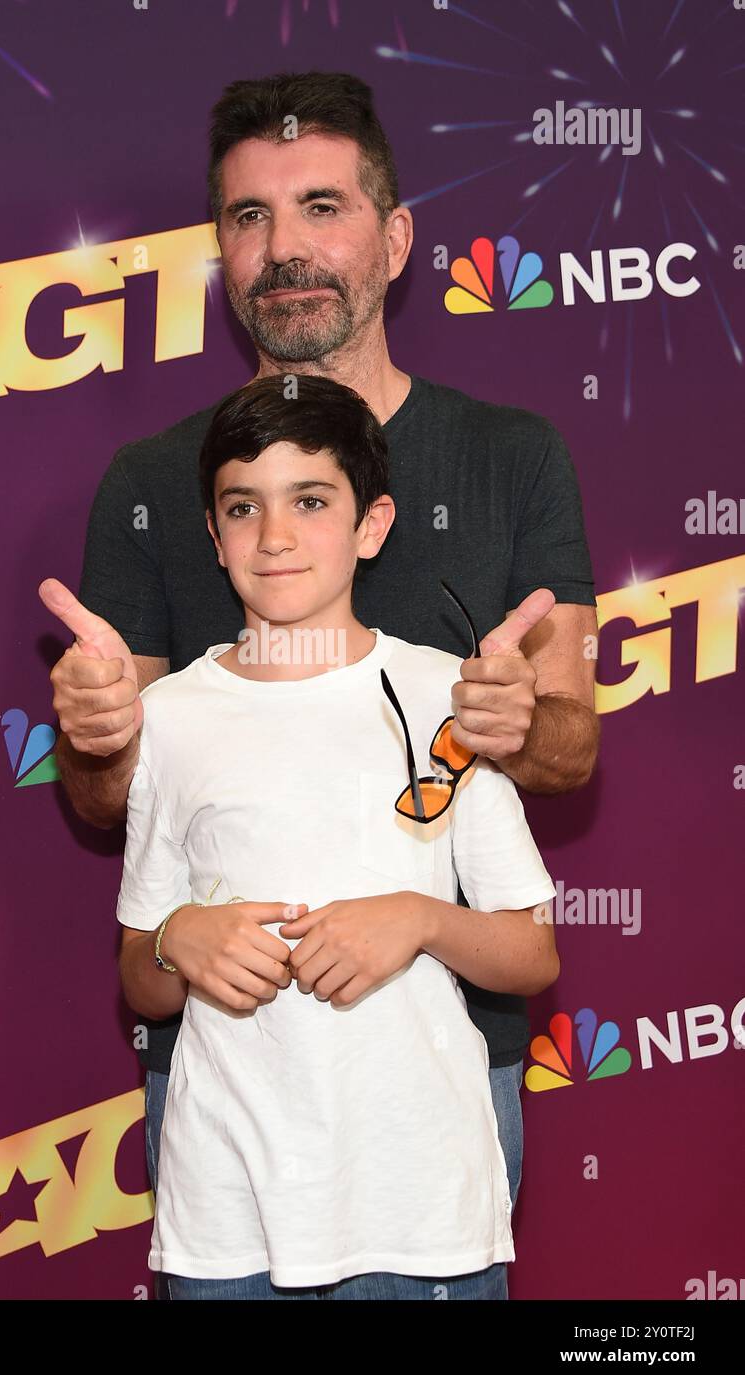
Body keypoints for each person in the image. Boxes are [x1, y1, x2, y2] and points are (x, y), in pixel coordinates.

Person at [39, 70, 598, 1295]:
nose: (284, 247)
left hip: (438, 1076)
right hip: (229, 1080)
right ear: (220, 253)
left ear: (394, 240)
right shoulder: (150, 481)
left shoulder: (514, 457)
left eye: (321, 206)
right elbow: (114, 801)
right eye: (249, 217)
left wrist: (513, 724)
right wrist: (95, 737)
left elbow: (569, 753)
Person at [114, 372, 559, 1300]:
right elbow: (142, 982)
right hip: (225, 1214)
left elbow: (529, 954)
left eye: (309, 501)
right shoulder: (169, 716)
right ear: (211, 532)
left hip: (424, 1207)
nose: (274, 536)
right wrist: (175, 939)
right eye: (243, 507)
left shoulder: (448, 696)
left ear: (371, 524)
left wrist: (419, 919)